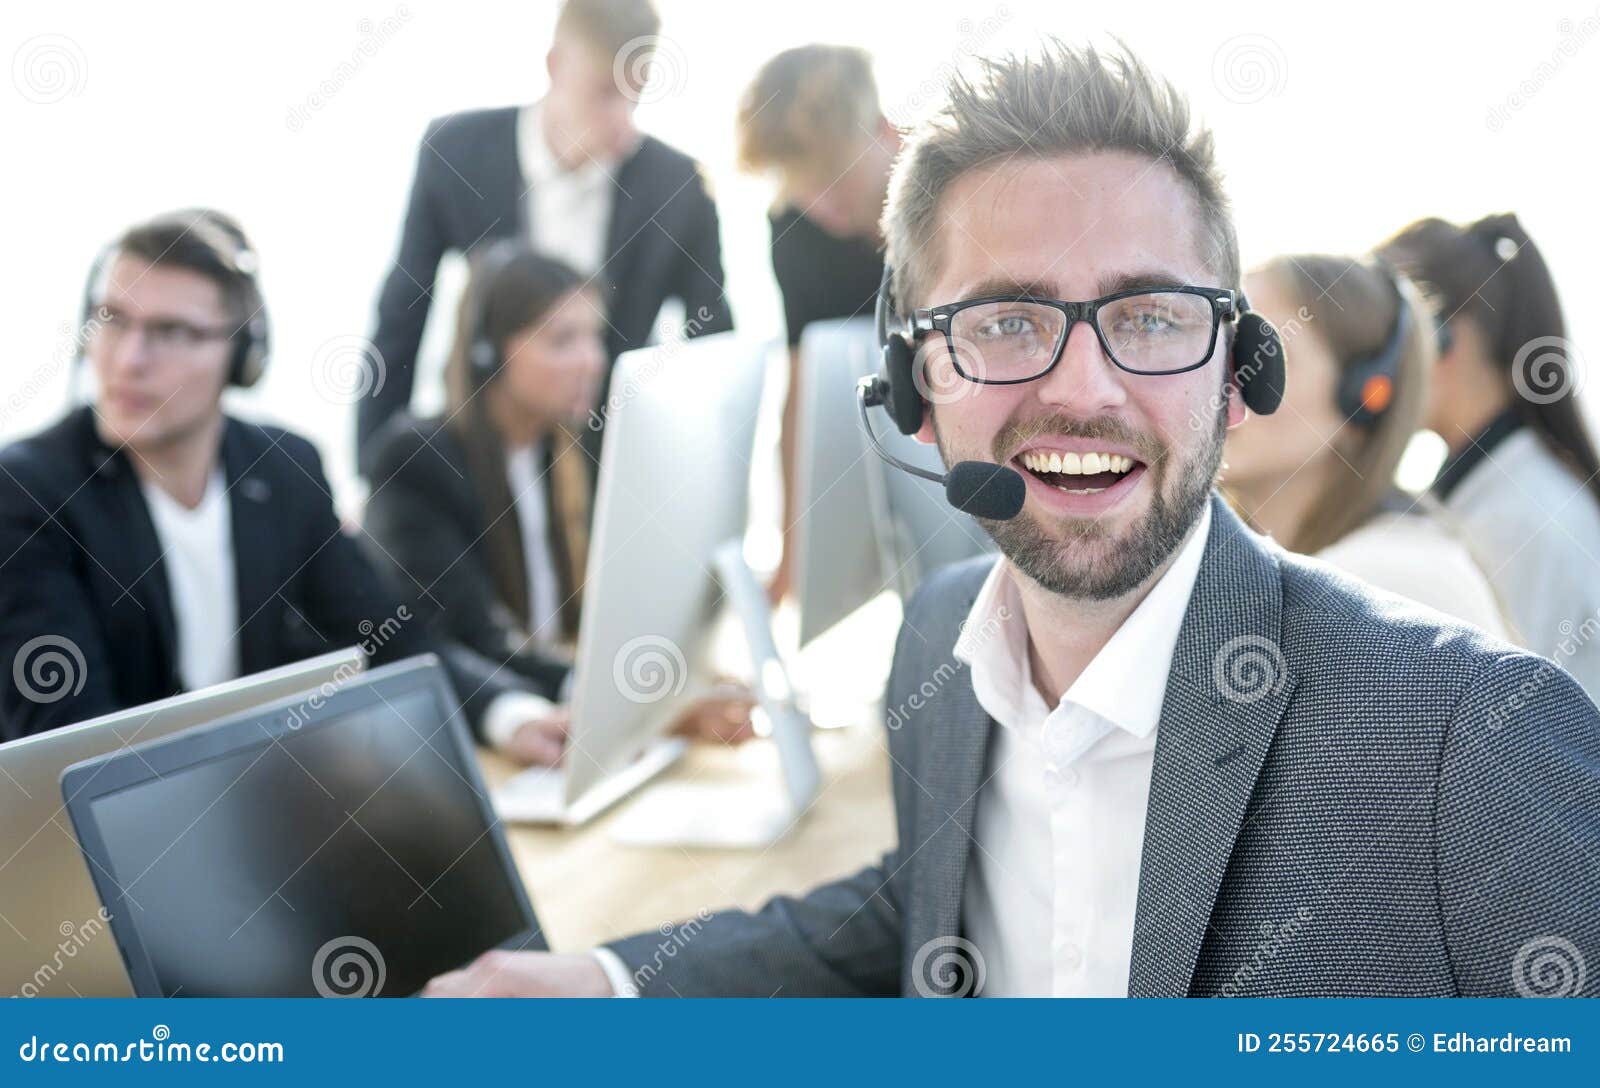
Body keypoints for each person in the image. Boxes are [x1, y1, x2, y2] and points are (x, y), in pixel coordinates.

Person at [423, 42, 1599, 999]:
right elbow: (929, 906)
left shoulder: (1472, 736)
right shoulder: (942, 643)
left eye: (1146, 316)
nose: (1082, 389)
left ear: (1236, 376)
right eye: (1004, 321)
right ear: (910, 389)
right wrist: (606, 979)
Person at [0, 210, 552, 743]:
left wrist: (510, 713)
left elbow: (386, 638)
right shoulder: (28, 490)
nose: (127, 360)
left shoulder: (284, 467)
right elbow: (69, 739)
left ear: (243, 356)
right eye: (112, 320)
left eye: (170, 331)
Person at [362, 243, 753, 766]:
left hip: (560, 727)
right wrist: (638, 699)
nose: (591, 361)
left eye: (594, 336)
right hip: (474, 746)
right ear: (490, 351)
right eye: (562, 340)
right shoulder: (417, 462)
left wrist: (674, 681)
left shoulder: (572, 449)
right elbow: (467, 640)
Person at [357, 0, 732, 474]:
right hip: (481, 458)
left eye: (636, 95)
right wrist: (374, 474)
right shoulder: (456, 151)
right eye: (604, 93)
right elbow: (402, 316)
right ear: (556, 66)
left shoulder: (678, 187)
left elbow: (715, 344)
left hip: (612, 458)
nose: (623, 120)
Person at [1222, 254, 1511, 636]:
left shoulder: (1387, 579)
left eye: (1261, 357)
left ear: (1361, 398)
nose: (1223, 382)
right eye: (1223, 346)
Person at [1378, 213, 1600, 699]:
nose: (1371, 366)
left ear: (1440, 337)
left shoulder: (1522, 519)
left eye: (1386, 337)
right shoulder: (1501, 493)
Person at [735, 45, 895, 600]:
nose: (820, 205)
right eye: (802, 185)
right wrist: (790, 554)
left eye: (835, 178)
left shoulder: (955, 195)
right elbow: (800, 394)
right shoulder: (795, 227)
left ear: (883, 131)